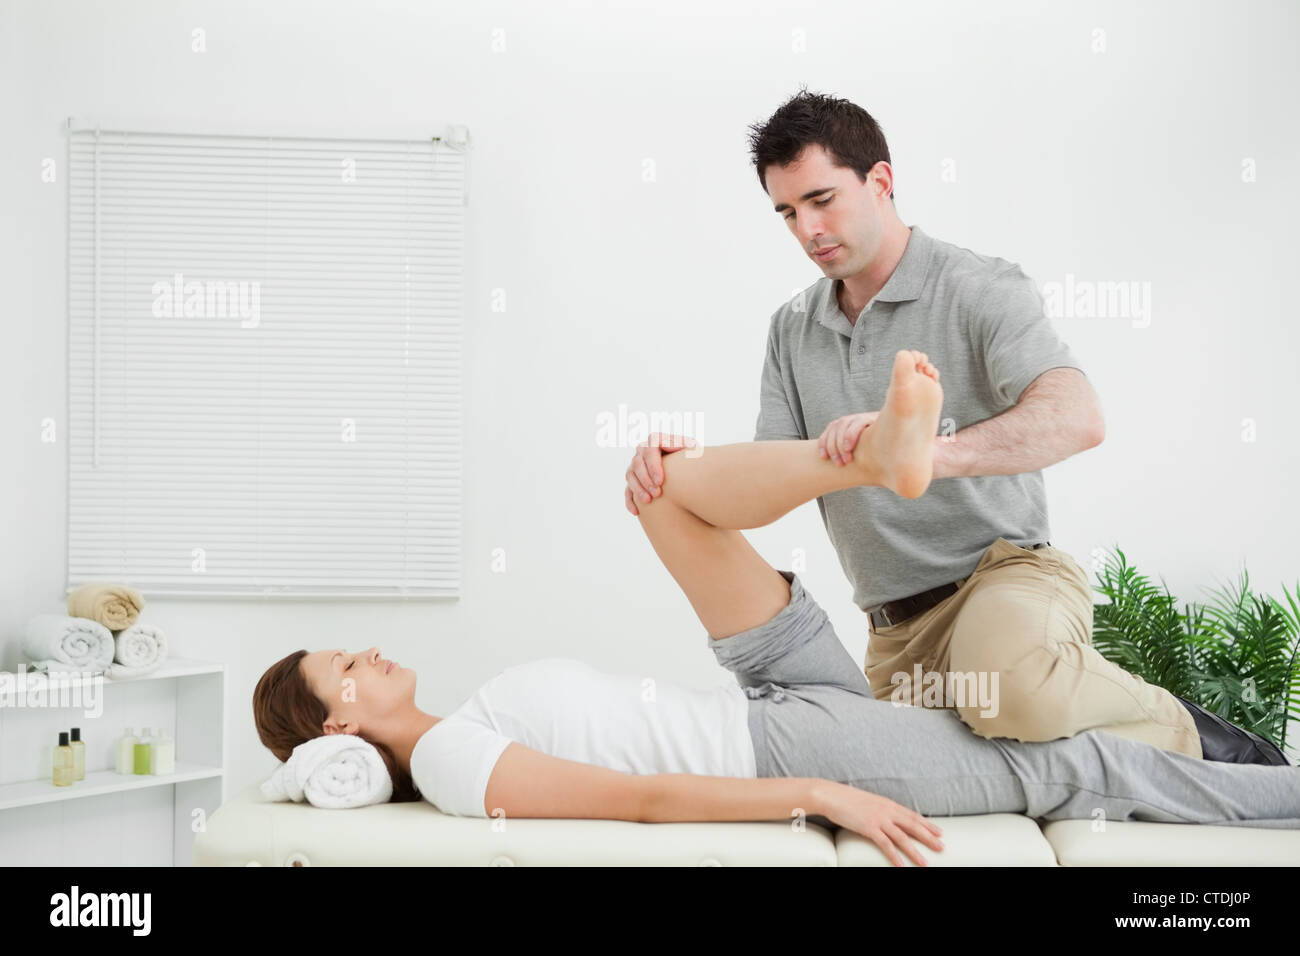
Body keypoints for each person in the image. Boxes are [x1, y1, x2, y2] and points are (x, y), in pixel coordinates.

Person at [255, 352, 1300, 868]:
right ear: (337, 725)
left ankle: (876, 458)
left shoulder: (468, 715)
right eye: (345, 664)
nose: (372, 651)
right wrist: (821, 794)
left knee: (664, 491)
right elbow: (646, 801)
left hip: (764, 686)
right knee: (1078, 763)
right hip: (780, 739)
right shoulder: (450, 762)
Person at [624, 87, 1286, 766]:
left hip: (1005, 582)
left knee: (1009, 691)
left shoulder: (978, 287)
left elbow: (1079, 417)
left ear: (880, 181)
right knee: (924, 777)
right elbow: (771, 483)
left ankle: (1197, 736)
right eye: (787, 212)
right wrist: (689, 466)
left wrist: (928, 455)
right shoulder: (791, 329)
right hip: (894, 632)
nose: (807, 231)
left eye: (822, 200)